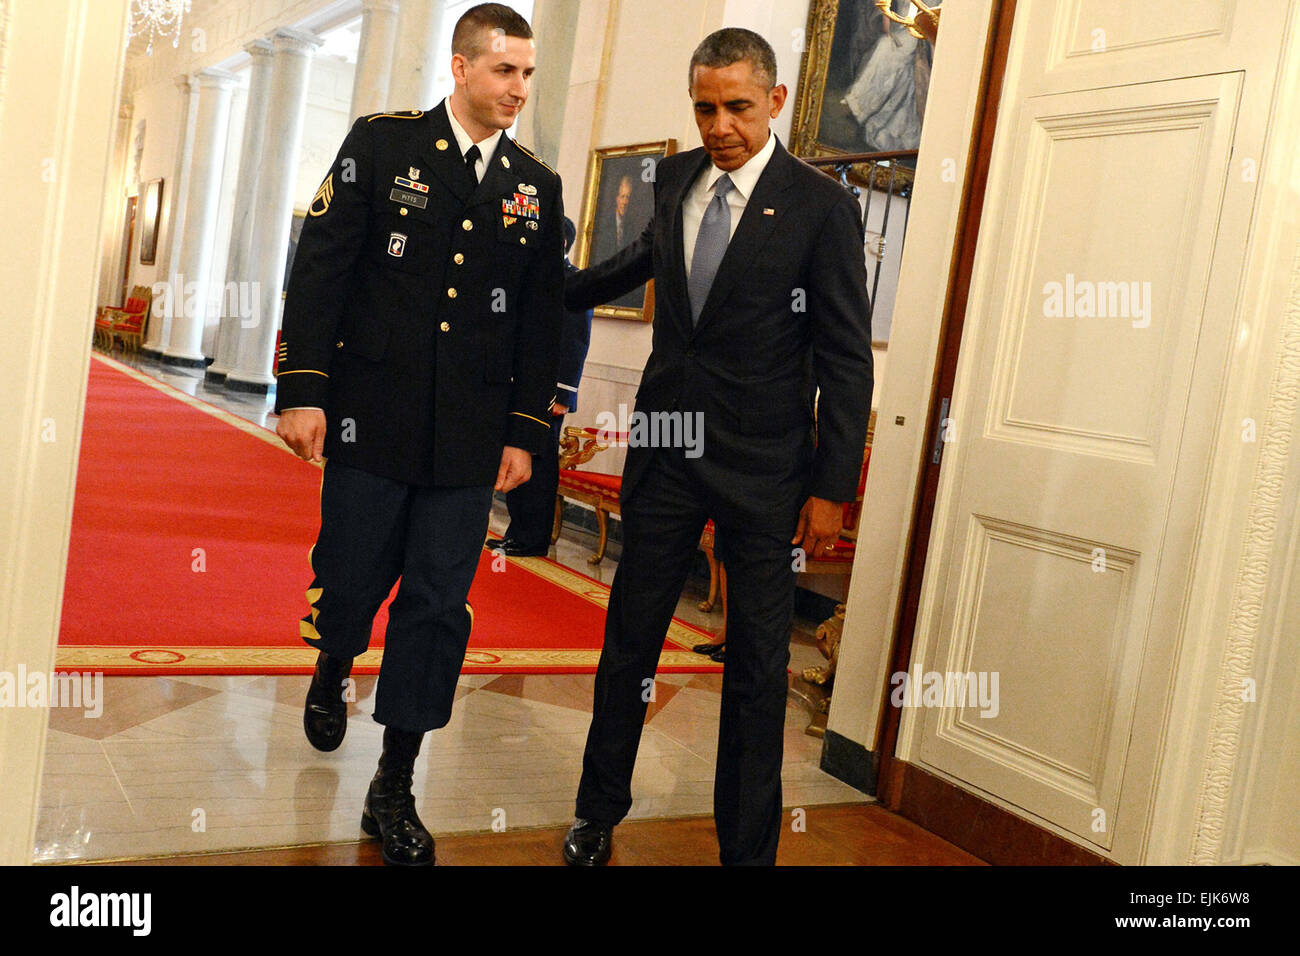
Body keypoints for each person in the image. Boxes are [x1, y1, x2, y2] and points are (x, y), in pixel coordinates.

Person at [560, 27, 873, 866]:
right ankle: (597, 812)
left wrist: (831, 489)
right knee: (629, 640)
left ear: (773, 100)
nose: (720, 124)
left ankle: (748, 851)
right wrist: (544, 286)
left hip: (767, 470)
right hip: (666, 449)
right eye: (705, 106)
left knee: (758, 669)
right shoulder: (675, 179)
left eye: (737, 105)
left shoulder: (822, 206)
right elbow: (635, 262)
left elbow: (845, 359)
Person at [273, 2, 564, 867]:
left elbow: (540, 322)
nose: (518, 88)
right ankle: (334, 662)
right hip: (373, 415)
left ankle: (392, 784)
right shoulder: (382, 143)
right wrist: (305, 390)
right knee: (353, 572)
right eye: (504, 69)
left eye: (527, 72)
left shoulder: (534, 187)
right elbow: (322, 268)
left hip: (469, 440)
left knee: (438, 608)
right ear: (462, 66)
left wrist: (525, 431)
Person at [487, 216, 592, 556]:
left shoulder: (572, 281)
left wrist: (563, 393)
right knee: (516, 458)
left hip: (550, 394)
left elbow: (574, 341)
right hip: (519, 387)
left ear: (560, 243)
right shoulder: (530, 276)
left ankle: (533, 538)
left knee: (540, 466)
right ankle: (517, 531)